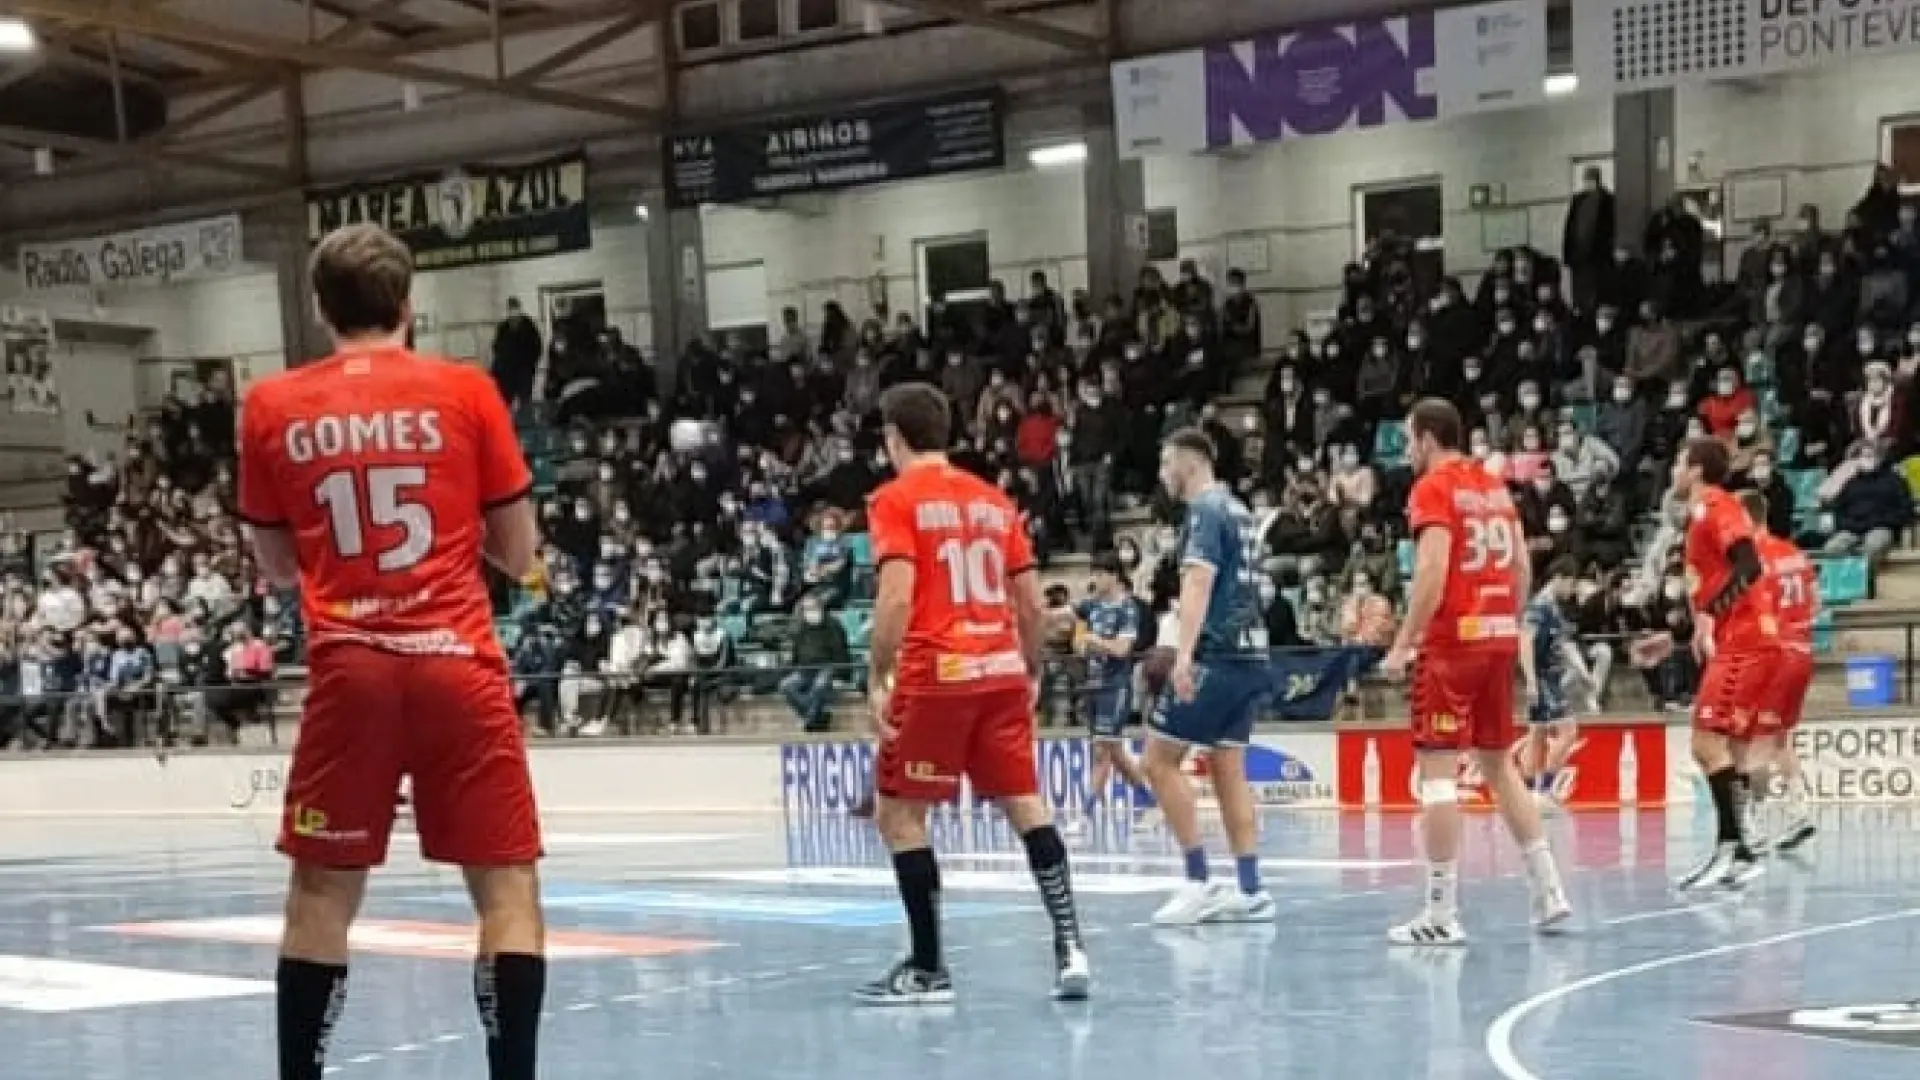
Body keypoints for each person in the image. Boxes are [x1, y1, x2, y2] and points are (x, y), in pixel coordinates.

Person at [237, 224, 547, 1080]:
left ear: (318, 309)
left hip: (350, 669)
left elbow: (271, 562)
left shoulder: (270, 405)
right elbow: (519, 556)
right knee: (507, 889)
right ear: (410, 304)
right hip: (457, 663)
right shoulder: (468, 391)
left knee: (321, 893)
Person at [859, 382, 1089, 1005]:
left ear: (894, 437)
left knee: (900, 814)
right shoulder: (994, 501)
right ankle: (1071, 949)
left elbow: (898, 597)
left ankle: (929, 967)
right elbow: (1033, 603)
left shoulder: (894, 499)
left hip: (938, 672)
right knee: (1025, 804)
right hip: (1002, 669)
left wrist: (878, 675)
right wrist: (1032, 669)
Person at [1381, 398, 1570, 946]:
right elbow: (1521, 565)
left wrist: (1402, 643)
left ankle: (1440, 910)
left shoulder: (1432, 489)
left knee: (1438, 774)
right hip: (1497, 640)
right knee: (1499, 767)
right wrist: (1506, 623)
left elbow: (1434, 567)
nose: (1407, 449)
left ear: (1427, 438)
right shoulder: (1493, 488)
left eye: (1409, 438)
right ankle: (1549, 890)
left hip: (1451, 644)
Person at [1142, 429, 1276, 926]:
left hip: (1216, 656)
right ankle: (1250, 888)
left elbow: (1198, 582)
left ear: (1188, 462)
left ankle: (1197, 880)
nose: (1162, 475)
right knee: (1227, 768)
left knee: (1158, 760)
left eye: (1165, 464)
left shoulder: (1203, 511)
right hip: (1252, 655)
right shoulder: (1240, 510)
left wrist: (1183, 654)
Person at [1670, 436, 1776, 891]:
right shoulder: (1701, 515)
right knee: (1727, 750)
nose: (1672, 471)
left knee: (1704, 744)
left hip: (1745, 642)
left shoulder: (1716, 505)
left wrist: (1713, 615)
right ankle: (1741, 850)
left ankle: (1733, 847)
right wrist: (1686, 632)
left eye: (1678, 461)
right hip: (1744, 640)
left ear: (1694, 469)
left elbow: (1750, 565)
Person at [1738, 488, 1817, 854]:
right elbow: (1814, 601)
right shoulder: (1795, 554)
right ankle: (1800, 810)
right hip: (1802, 651)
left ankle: (1750, 826)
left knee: (1755, 743)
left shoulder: (1752, 560)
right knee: (1780, 737)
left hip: (1773, 655)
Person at [1069, 551, 1149, 833]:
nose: (1096, 579)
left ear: (1114, 576)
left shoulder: (1128, 608)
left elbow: (1122, 649)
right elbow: (1077, 640)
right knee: (1115, 753)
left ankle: (1085, 814)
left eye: (1101, 574)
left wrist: (1096, 641)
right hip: (1093, 684)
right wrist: (1082, 642)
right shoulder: (1090, 607)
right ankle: (1150, 802)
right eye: (1094, 573)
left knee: (1102, 751)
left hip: (1115, 686)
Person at [1521, 556, 1585, 813]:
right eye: (1570, 584)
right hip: (1544, 679)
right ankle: (1543, 790)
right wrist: (1530, 680)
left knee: (1536, 735)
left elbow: (1563, 645)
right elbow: (1524, 641)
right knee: (1568, 732)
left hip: (1551, 678)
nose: (1571, 591)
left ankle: (1527, 794)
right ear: (1559, 578)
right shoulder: (1539, 607)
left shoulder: (1553, 608)